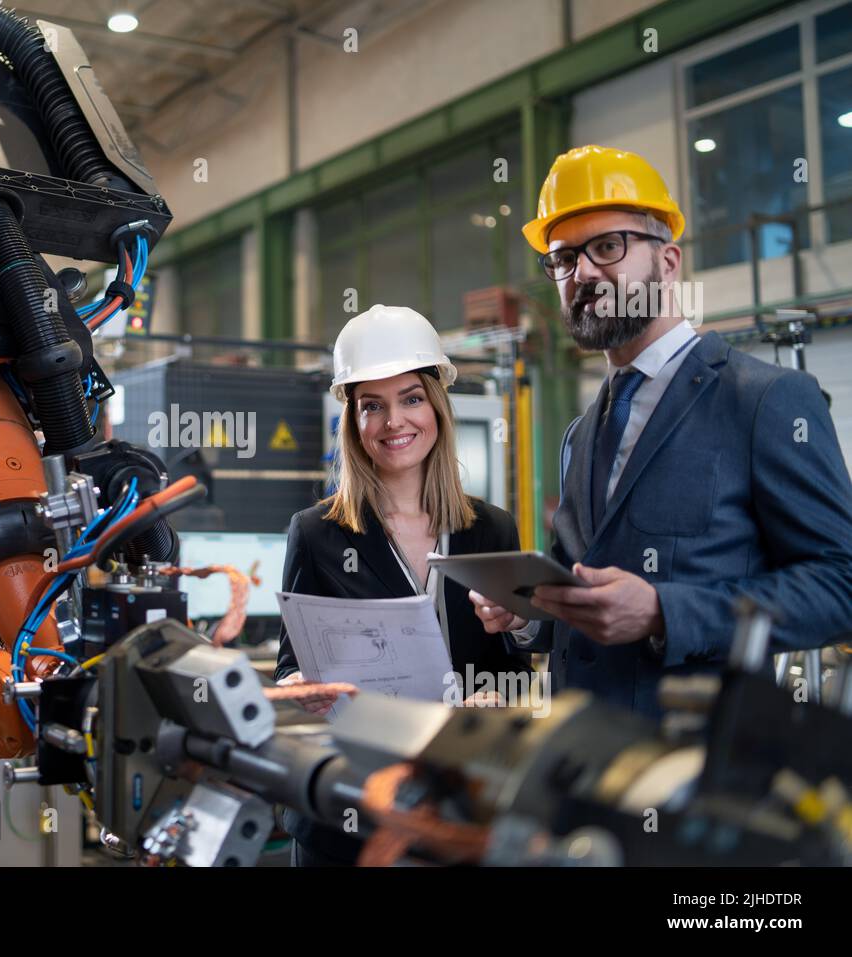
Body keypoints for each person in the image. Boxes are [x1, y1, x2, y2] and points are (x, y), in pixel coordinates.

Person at [471, 144, 852, 718]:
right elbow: (587, 603)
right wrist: (531, 618)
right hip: (579, 761)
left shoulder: (765, 401)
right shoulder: (581, 434)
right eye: (564, 258)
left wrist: (663, 612)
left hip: (698, 768)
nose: (585, 273)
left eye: (607, 246)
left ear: (669, 262)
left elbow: (839, 587)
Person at [275, 303, 531, 866]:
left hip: (455, 804)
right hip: (348, 805)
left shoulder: (489, 528)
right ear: (353, 422)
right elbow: (290, 666)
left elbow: (509, 660)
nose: (395, 422)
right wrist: (299, 687)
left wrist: (496, 701)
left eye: (411, 399)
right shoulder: (316, 533)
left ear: (436, 407)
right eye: (373, 406)